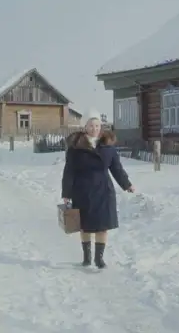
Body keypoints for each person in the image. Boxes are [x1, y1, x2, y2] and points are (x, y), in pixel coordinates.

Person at [61, 114, 134, 268]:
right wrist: (66, 193)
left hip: (104, 191)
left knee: (103, 226)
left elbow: (116, 169)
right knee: (85, 225)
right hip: (82, 190)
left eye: (97, 125)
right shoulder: (76, 148)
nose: (95, 129)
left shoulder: (108, 146)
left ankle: (99, 259)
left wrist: (127, 184)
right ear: (85, 127)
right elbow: (69, 171)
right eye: (91, 125)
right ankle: (87, 257)